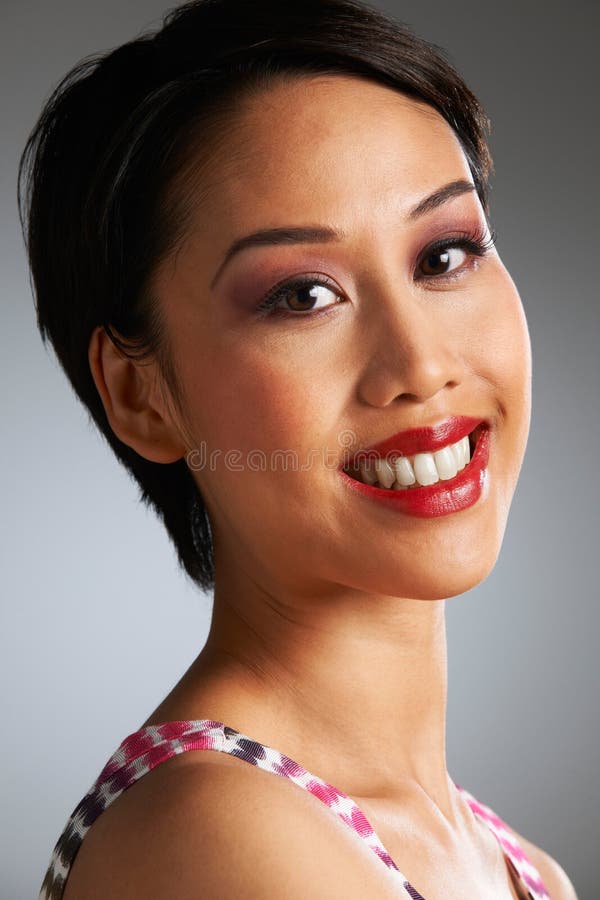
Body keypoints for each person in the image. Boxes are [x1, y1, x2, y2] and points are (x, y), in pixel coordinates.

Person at [19, 0, 578, 897]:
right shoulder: (217, 841)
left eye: (444, 255)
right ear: (139, 393)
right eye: (301, 296)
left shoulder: (523, 868)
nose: (420, 365)